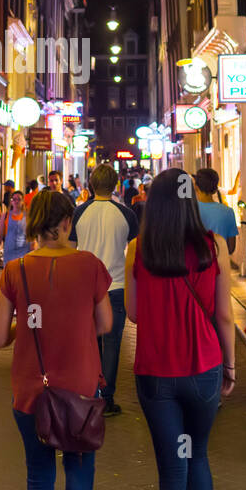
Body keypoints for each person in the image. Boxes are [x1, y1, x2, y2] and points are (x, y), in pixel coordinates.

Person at [0, 190, 112, 490]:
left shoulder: (14, 271)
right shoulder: (90, 265)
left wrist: (30, 323)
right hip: (81, 389)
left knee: (39, 473)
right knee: (80, 470)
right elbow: (106, 323)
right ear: (67, 223)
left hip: (32, 391)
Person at [126, 167, 237, 490]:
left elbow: (133, 314)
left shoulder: (139, 248)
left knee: (173, 466)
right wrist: (229, 366)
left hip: (155, 371)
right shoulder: (214, 246)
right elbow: (225, 316)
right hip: (204, 369)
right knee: (197, 455)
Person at [70, 163, 139, 417]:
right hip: (116, 286)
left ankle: (91, 393)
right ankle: (107, 398)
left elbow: (70, 249)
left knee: (89, 343)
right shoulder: (126, 215)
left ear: (91, 184)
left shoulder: (78, 213)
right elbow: (133, 252)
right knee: (112, 344)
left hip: (85, 288)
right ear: (115, 184)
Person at [194, 168, 239, 255]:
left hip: (198, 264)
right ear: (215, 189)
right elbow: (231, 248)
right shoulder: (228, 212)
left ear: (196, 187)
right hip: (219, 265)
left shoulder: (190, 210)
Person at [0, 191, 29, 270]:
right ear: (11, 201)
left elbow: (30, 236)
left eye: (19, 199)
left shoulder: (28, 216)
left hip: (23, 253)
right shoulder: (5, 216)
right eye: (14, 199)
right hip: (9, 253)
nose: (16, 201)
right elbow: (0, 235)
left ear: (23, 201)